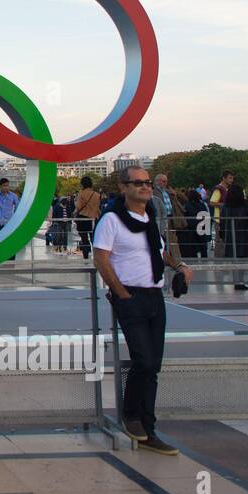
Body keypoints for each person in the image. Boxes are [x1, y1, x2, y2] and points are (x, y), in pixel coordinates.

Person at [92, 167, 193, 456]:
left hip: (154, 297)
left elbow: (159, 251)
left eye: (148, 183)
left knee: (153, 366)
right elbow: (101, 258)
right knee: (143, 360)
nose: (146, 187)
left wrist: (179, 266)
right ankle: (131, 416)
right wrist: (121, 293)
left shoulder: (149, 219)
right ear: (124, 187)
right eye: (138, 183)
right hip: (130, 297)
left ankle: (148, 429)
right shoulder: (111, 220)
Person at [209, 170, 235, 257]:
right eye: (230, 178)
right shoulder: (218, 189)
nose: (232, 180)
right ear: (224, 178)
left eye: (232, 178)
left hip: (226, 218)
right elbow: (212, 202)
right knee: (219, 241)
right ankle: (219, 260)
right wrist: (224, 204)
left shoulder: (229, 189)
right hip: (219, 219)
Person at [75, 176, 101, 260]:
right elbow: (98, 207)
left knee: (84, 239)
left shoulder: (81, 194)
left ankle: (86, 257)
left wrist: (74, 212)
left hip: (83, 218)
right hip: (94, 218)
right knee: (94, 239)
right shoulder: (97, 195)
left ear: (83, 184)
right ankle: (97, 257)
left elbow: (79, 207)